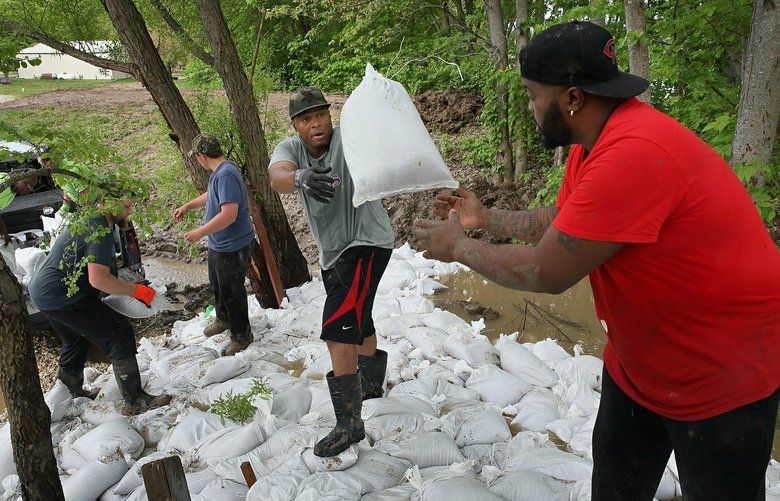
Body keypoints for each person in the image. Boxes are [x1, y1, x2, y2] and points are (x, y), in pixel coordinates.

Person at [413, 20, 780, 501]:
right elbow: (565, 219)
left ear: (572, 98)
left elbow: (546, 272)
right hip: (642, 362)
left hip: (721, 372)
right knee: (616, 485)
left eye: (531, 94)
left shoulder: (632, 153)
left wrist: (457, 248)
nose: (528, 106)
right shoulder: (593, 144)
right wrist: (487, 219)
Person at [269, 86, 395, 457]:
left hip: (367, 241)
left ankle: (349, 425)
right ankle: (371, 385)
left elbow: (378, 136)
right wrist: (299, 178)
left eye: (321, 115)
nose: (316, 124)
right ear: (296, 125)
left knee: (338, 329)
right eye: (306, 119)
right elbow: (276, 174)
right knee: (360, 316)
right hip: (334, 253)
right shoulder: (290, 150)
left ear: (330, 115)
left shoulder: (347, 139)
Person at [28, 200, 171, 414]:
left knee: (75, 338)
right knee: (119, 332)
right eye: (126, 206)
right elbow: (99, 280)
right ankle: (135, 401)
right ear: (107, 203)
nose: (129, 211)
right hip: (61, 295)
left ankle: (70, 393)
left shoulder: (87, 218)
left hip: (43, 291)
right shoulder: (98, 228)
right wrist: (136, 291)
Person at [174, 134, 256, 357]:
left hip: (233, 245)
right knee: (218, 283)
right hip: (219, 243)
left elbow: (229, 214)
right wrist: (188, 205)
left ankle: (242, 335)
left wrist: (199, 233)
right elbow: (212, 194)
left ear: (201, 156)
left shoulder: (227, 174)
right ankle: (223, 318)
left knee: (232, 290)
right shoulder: (220, 172)